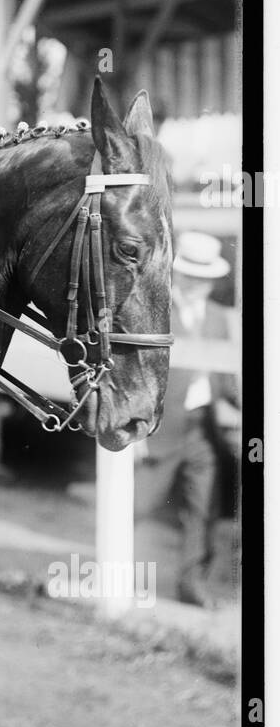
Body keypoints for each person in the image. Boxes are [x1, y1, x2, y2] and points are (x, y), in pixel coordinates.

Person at [136, 230, 240, 607]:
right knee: (138, 505)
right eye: (192, 273)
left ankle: (191, 585)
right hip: (160, 426)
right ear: (178, 273)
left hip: (203, 428)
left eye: (206, 276)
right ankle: (113, 571)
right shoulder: (155, 309)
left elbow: (227, 381)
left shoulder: (218, 317)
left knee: (203, 509)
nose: (198, 282)